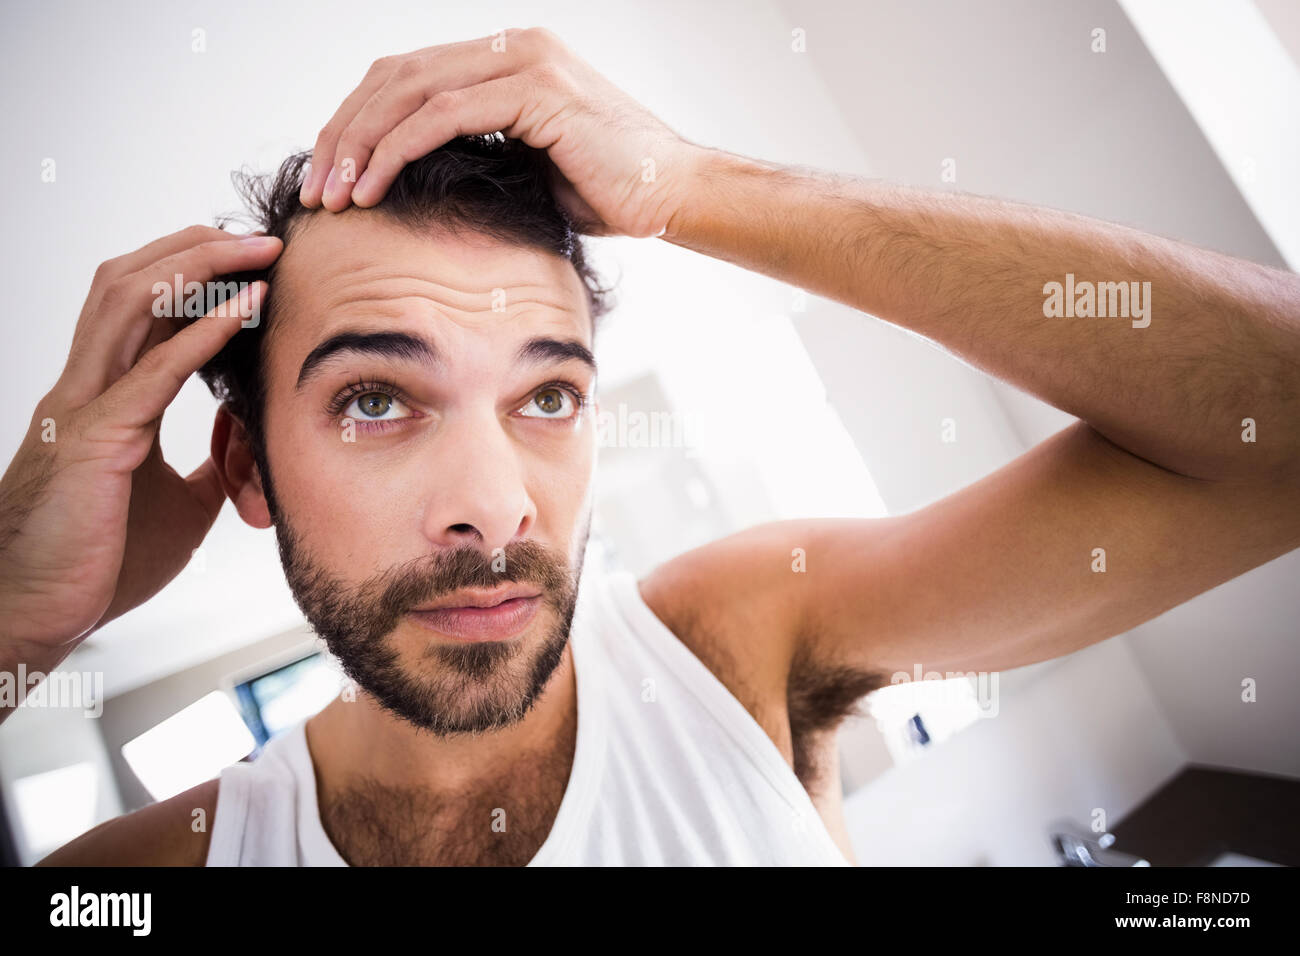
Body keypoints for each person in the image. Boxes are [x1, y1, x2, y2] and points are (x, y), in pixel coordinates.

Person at [8, 28, 1298, 866]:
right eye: (377, 401)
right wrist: (16, 623)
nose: (496, 510)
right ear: (247, 469)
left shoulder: (740, 647)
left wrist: (692, 187)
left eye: (548, 397)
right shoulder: (138, 880)